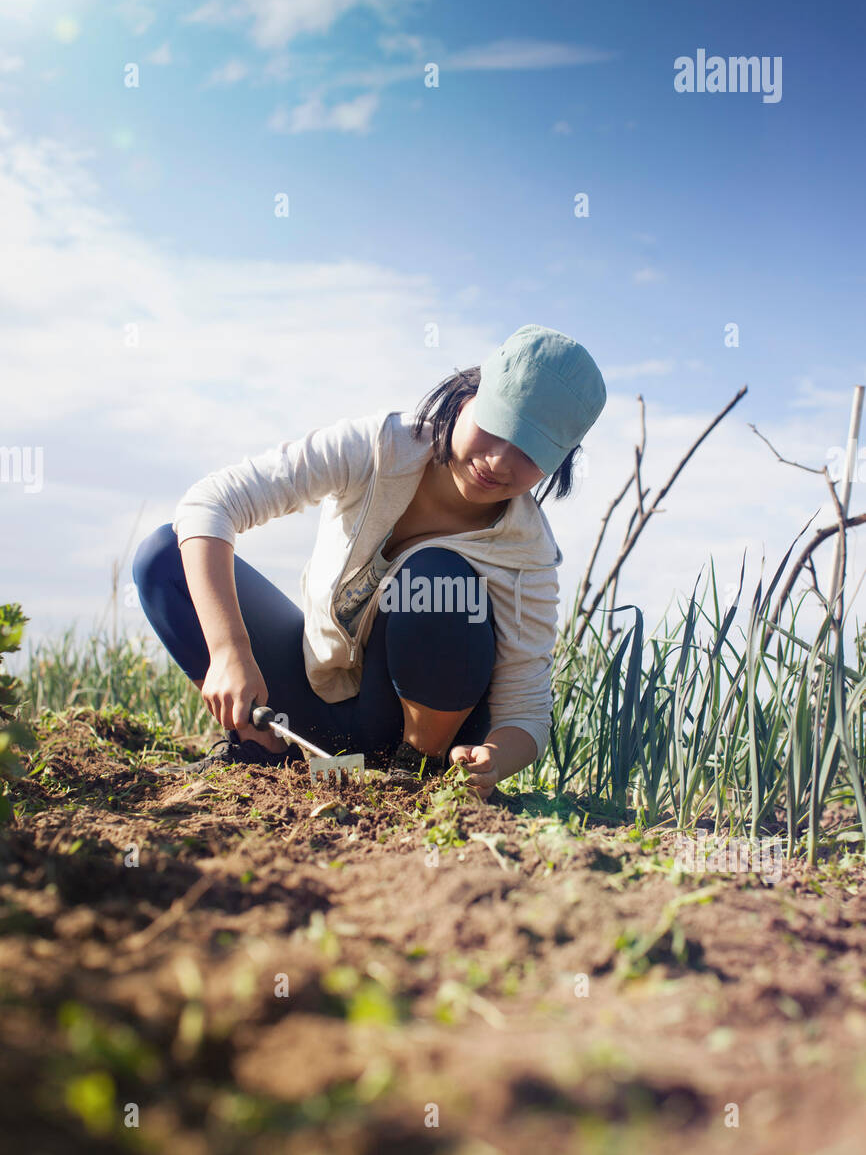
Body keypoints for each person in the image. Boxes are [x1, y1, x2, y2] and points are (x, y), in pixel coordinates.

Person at [132, 324, 606, 802]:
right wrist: (229, 650)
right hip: (312, 703)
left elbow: (524, 712)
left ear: (559, 463)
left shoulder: (527, 555)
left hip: (406, 734)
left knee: (439, 582)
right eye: (497, 426)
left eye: (530, 452)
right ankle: (265, 753)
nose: (499, 462)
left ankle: (411, 775)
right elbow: (210, 504)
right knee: (164, 559)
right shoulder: (380, 447)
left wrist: (495, 758)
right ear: (469, 396)